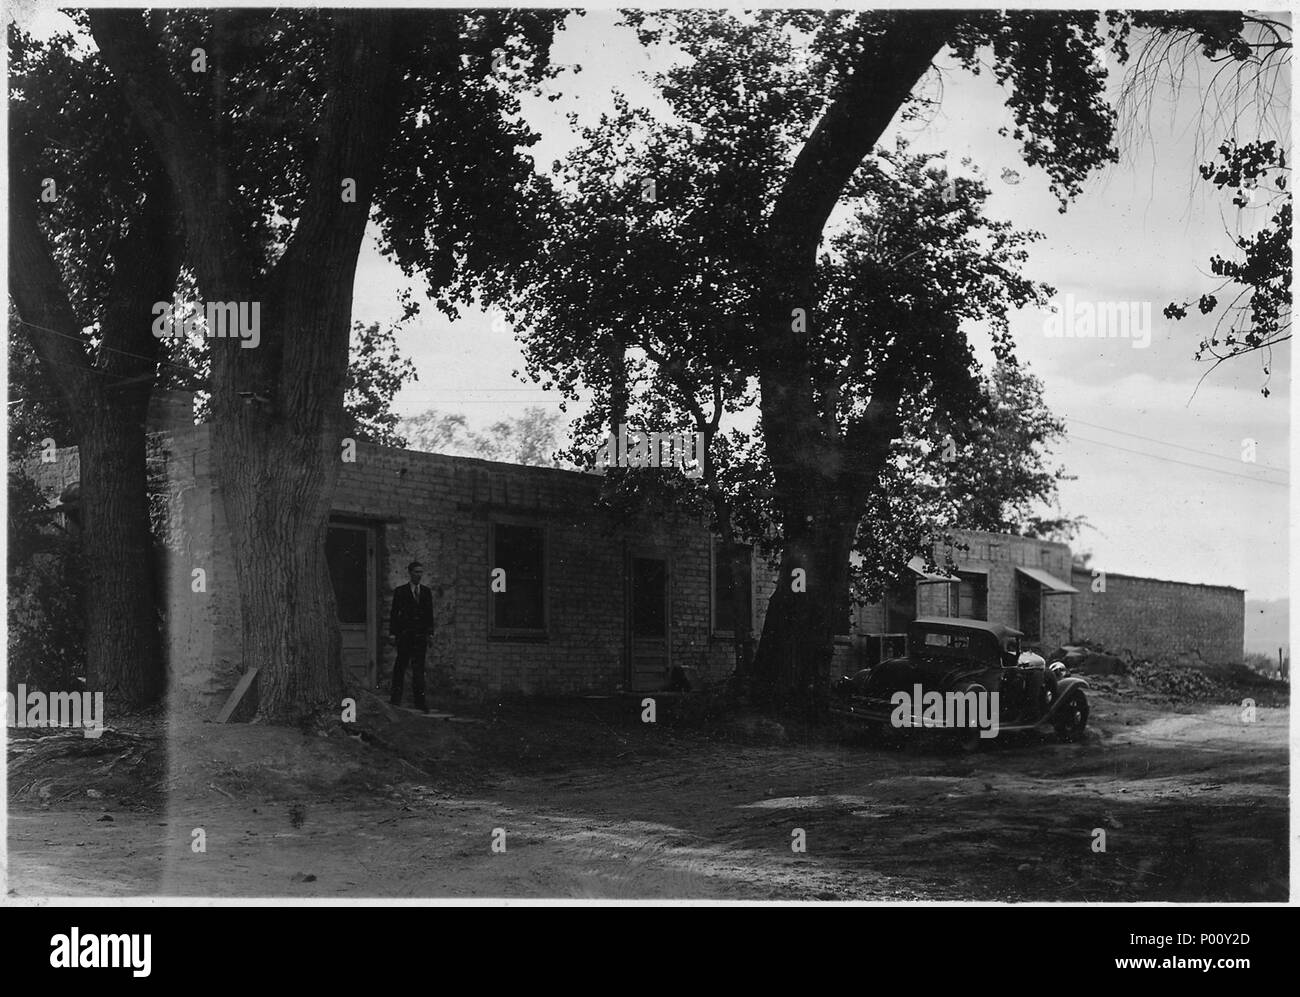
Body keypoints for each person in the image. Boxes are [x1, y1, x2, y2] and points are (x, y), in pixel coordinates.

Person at [389, 561, 434, 712]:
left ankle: (420, 703)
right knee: (400, 667)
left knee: (419, 670)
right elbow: (394, 614)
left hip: (420, 638)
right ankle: (395, 700)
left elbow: (429, 615)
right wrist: (393, 633)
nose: (419, 575)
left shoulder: (426, 592)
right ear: (409, 573)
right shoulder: (400, 591)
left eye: (421, 572)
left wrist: (430, 633)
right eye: (416, 572)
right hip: (405, 637)